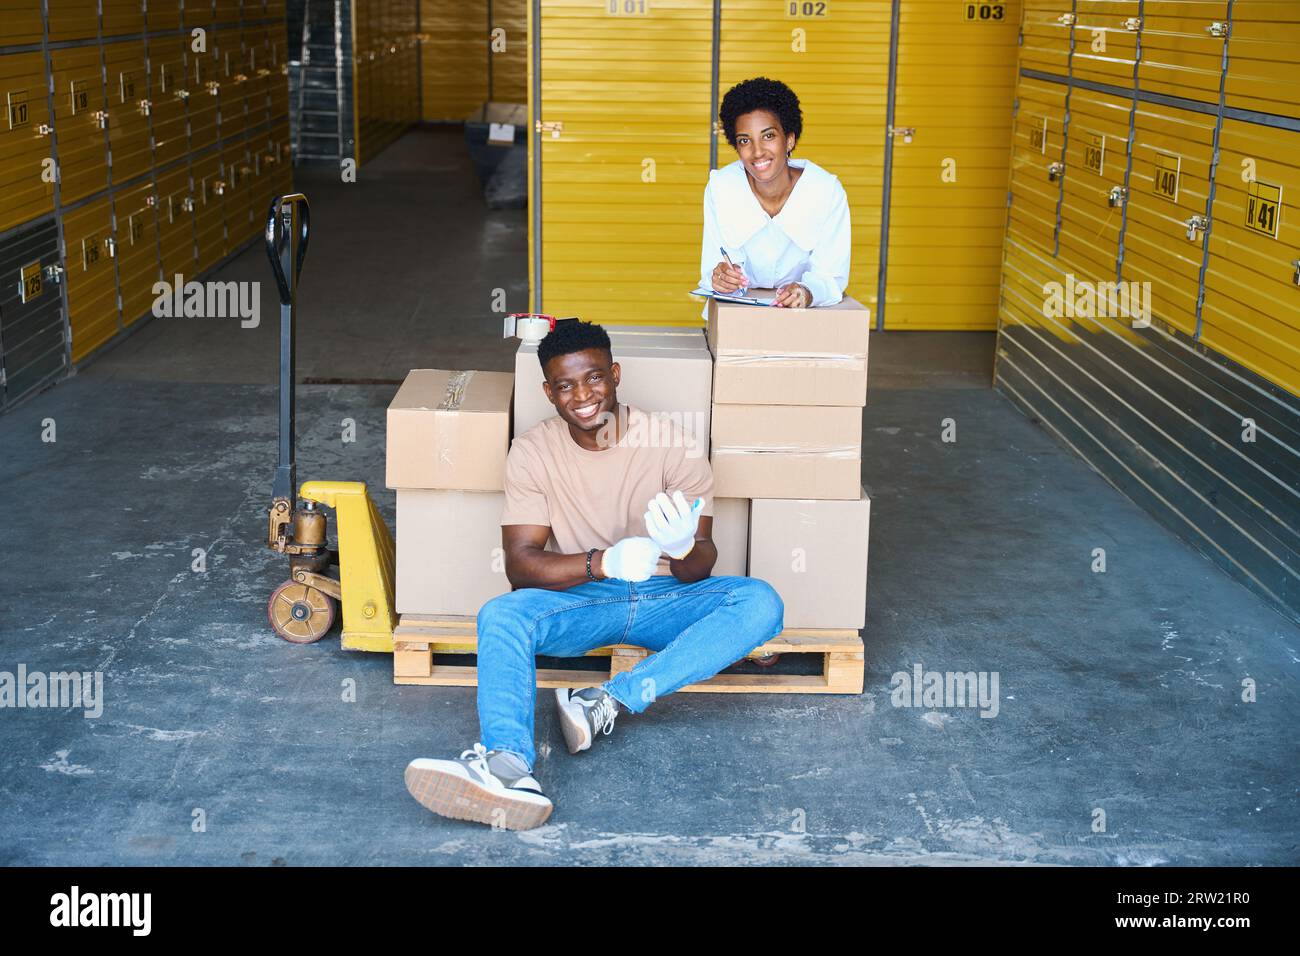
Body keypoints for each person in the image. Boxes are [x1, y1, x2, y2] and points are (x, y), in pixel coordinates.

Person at [404, 320, 785, 830]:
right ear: (549, 392)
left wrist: (682, 547)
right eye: (565, 385)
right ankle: (507, 767)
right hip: (586, 597)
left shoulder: (672, 444)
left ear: (616, 375)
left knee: (761, 601)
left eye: (594, 378)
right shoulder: (533, 452)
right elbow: (520, 566)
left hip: (665, 595)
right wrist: (601, 562)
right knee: (501, 615)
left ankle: (605, 701)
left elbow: (699, 568)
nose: (583, 395)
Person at [700, 76, 851, 314]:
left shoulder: (825, 191)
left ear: (789, 139)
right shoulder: (722, 188)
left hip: (805, 321)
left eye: (768, 136)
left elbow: (831, 276)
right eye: (744, 140)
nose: (757, 151)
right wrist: (722, 278)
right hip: (736, 319)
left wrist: (806, 292)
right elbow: (714, 266)